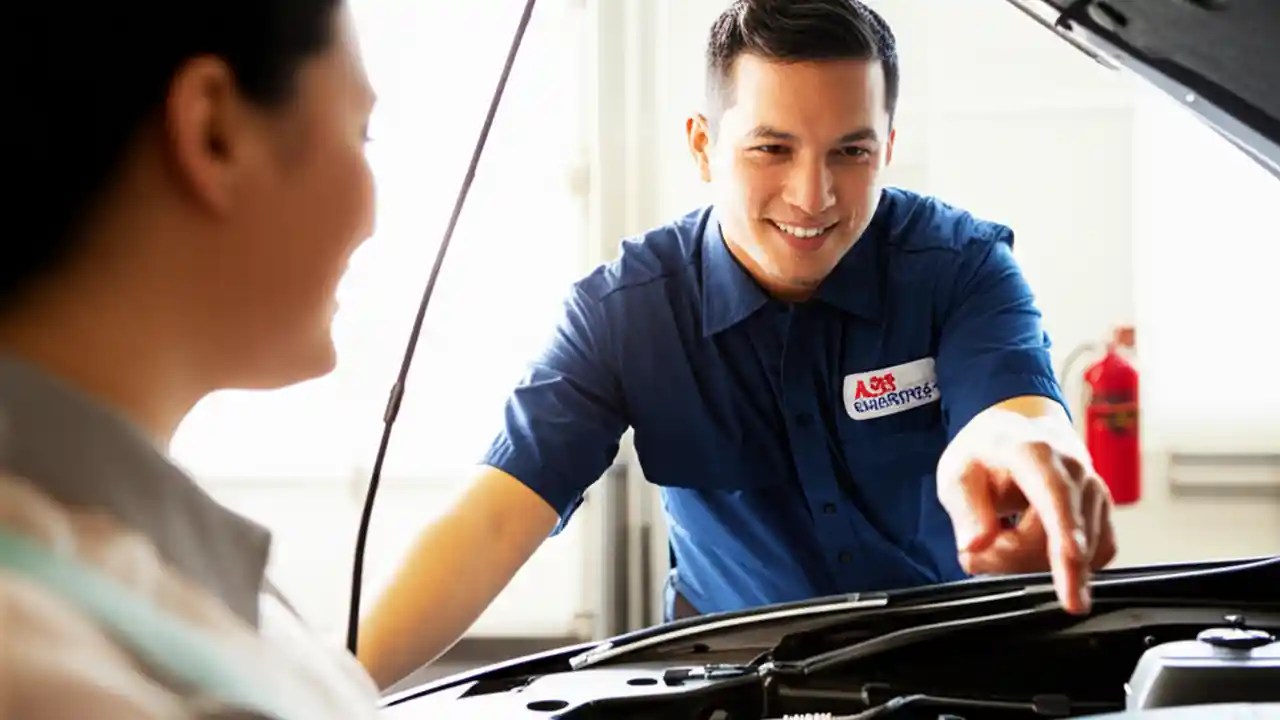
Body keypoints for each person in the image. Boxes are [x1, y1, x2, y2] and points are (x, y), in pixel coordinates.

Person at [357, 0, 1119, 689]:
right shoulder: (625, 312)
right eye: (771, 150)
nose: (813, 196)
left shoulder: (961, 267)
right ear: (703, 146)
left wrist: (1022, 450)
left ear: (888, 144)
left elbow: (1013, 417)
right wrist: (312, 692)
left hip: (947, 672)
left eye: (851, 153)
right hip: (728, 683)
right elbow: (493, 521)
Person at [2, 2, 381, 717]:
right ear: (214, 133)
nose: (372, 215)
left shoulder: (130, 567)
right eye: (362, 130)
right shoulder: (56, 676)